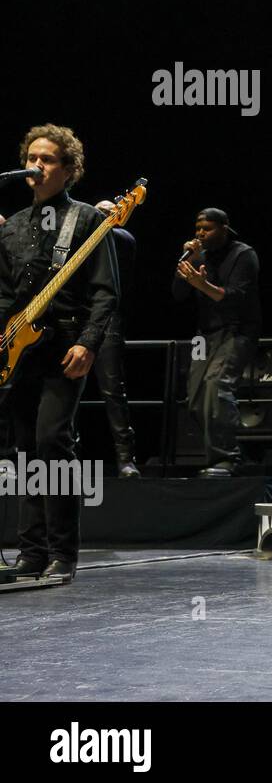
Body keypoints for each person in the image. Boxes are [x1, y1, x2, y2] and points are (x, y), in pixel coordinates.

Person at [0, 125, 118, 581]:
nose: (36, 165)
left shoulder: (86, 221)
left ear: (69, 170)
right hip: (19, 351)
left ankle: (63, 553)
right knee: (25, 448)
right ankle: (31, 551)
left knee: (52, 439)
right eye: (32, 157)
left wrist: (88, 342)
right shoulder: (12, 227)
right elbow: (5, 295)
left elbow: (106, 293)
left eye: (47, 159)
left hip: (65, 346)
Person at [171, 208, 261, 478]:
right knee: (195, 398)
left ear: (224, 228)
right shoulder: (200, 256)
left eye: (207, 228)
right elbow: (178, 295)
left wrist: (202, 284)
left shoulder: (243, 254)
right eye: (198, 228)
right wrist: (187, 265)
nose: (200, 234)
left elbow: (235, 297)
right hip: (203, 336)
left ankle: (227, 460)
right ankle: (226, 455)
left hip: (236, 330)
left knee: (216, 387)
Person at [92, 200, 139, 477]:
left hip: (109, 318)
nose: (102, 218)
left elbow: (118, 241)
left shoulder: (122, 238)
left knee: (112, 389)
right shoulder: (83, 240)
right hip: (78, 316)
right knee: (65, 388)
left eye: (108, 214)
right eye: (98, 214)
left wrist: (106, 225)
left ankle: (125, 458)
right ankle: (67, 456)